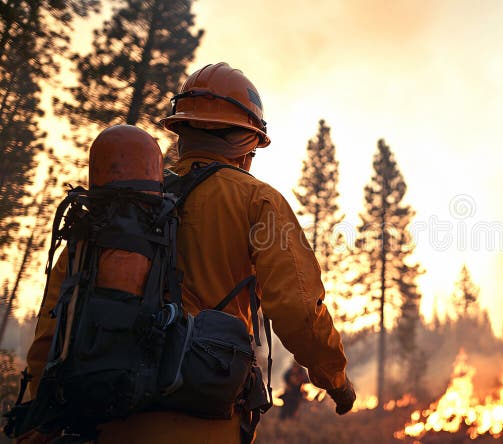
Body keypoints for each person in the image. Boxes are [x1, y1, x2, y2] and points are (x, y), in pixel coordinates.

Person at [24, 62, 355, 444]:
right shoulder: (258, 200)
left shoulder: (122, 205)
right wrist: (335, 378)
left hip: (105, 421)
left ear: (181, 132)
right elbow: (298, 309)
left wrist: (36, 421)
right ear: (247, 144)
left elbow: (58, 312)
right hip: (206, 421)